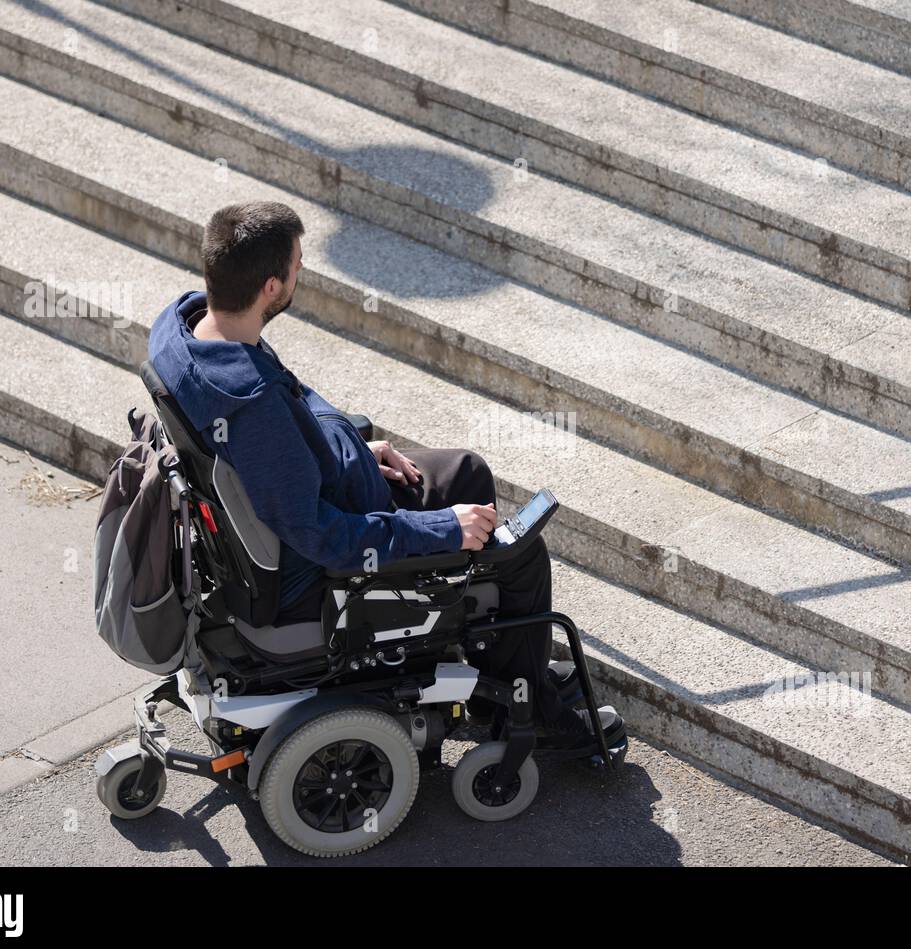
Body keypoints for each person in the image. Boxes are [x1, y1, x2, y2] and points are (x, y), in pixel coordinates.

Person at [147, 201, 608, 748]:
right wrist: (443, 530)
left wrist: (353, 445)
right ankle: (534, 712)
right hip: (320, 569)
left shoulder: (189, 329)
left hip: (315, 498)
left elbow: (293, 410)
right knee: (516, 551)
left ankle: (507, 669)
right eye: (298, 264)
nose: (302, 271)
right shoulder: (252, 406)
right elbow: (322, 537)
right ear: (271, 286)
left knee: (465, 472)